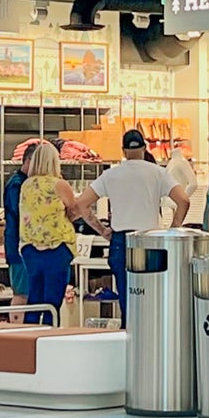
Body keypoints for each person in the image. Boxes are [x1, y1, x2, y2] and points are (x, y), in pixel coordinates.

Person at [77, 129, 191, 326]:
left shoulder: (110, 175)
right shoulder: (158, 173)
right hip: (150, 241)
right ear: (144, 148)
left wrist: (102, 231)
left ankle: (127, 337)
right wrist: (174, 228)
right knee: (152, 297)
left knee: (127, 299)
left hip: (121, 241)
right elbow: (184, 200)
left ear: (123, 151)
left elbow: (81, 204)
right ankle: (152, 338)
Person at [19, 142, 79, 325]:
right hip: (57, 246)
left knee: (34, 299)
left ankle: (28, 339)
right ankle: (49, 336)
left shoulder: (26, 185)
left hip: (30, 248)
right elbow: (75, 211)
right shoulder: (60, 185)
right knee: (53, 302)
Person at [3, 142, 38, 322]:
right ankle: (16, 332)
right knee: (21, 294)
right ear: (29, 161)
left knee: (28, 293)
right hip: (17, 246)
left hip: (27, 245)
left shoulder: (28, 183)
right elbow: (19, 212)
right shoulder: (16, 184)